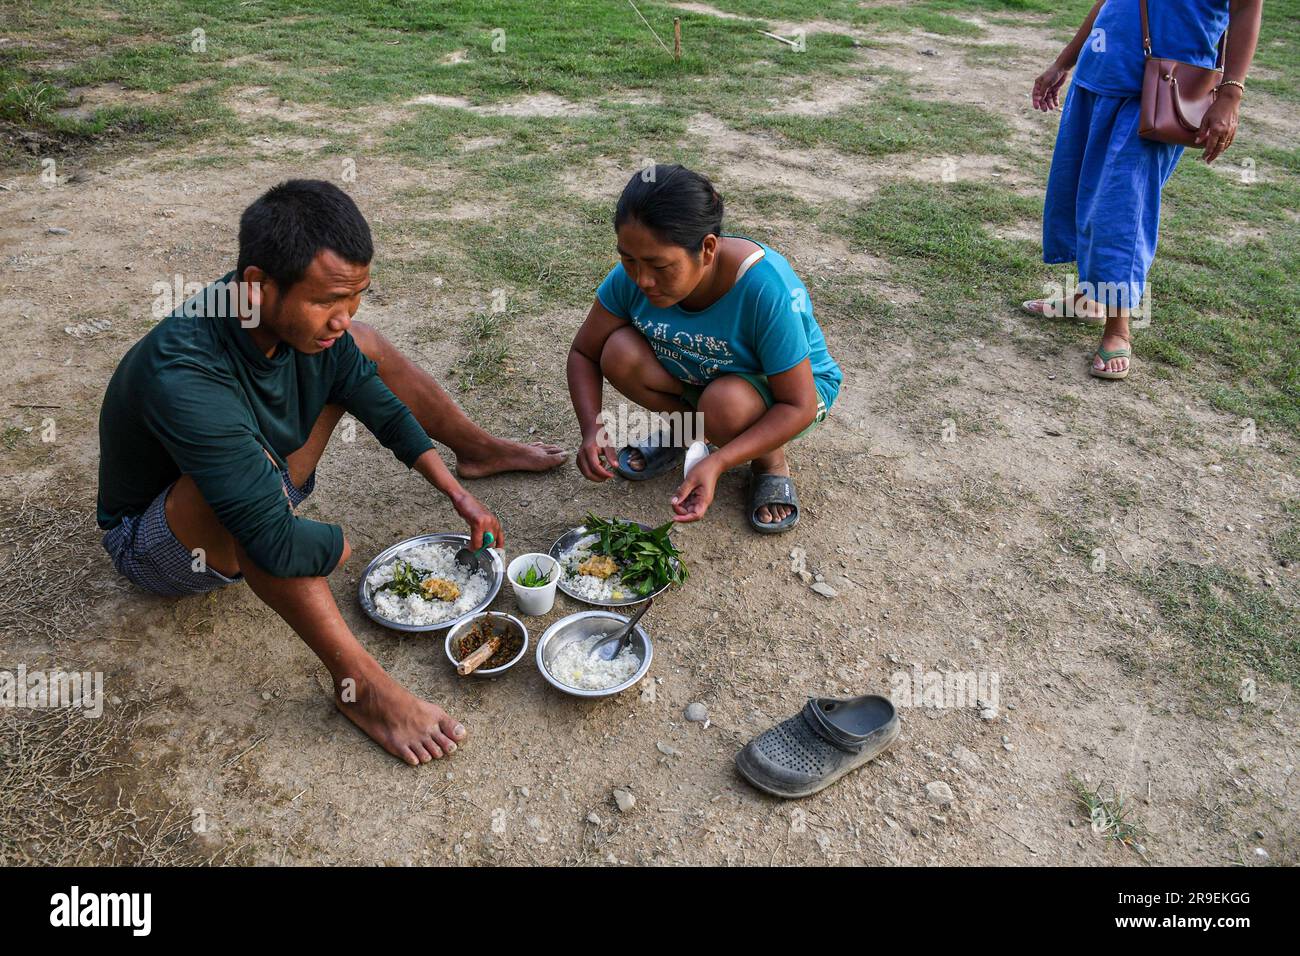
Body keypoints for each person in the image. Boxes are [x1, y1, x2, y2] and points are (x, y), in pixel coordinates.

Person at [96, 179, 567, 766]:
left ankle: (479, 450)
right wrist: (340, 546)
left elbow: (372, 396)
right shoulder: (185, 371)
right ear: (256, 287)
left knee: (358, 352)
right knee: (257, 509)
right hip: (160, 540)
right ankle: (363, 690)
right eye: (325, 301)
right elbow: (273, 537)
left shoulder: (295, 319)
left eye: (356, 296)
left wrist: (453, 491)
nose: (341, 316)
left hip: (258, 475)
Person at [567, 164, 842, 533]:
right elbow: (585, 352)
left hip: (792, 391)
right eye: (628, 259)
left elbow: (799, 404)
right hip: (702, 375)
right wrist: (593, 429)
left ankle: (769, 461)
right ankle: (689, 432)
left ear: (708, 249)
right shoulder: (632, 275)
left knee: (725, 404)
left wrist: (718, 462)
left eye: (660, 265)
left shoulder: (765, 287)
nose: (642, 279)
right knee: (617, 351)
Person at [1025, 0, 1261, 380]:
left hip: (1159, 87)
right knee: (1079, 191)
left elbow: (1247, 8)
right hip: (1097, 73)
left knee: (1122, 208)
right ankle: (1089, 300)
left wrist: (1231, 93)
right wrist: (1063, 62)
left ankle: (1118, 329)